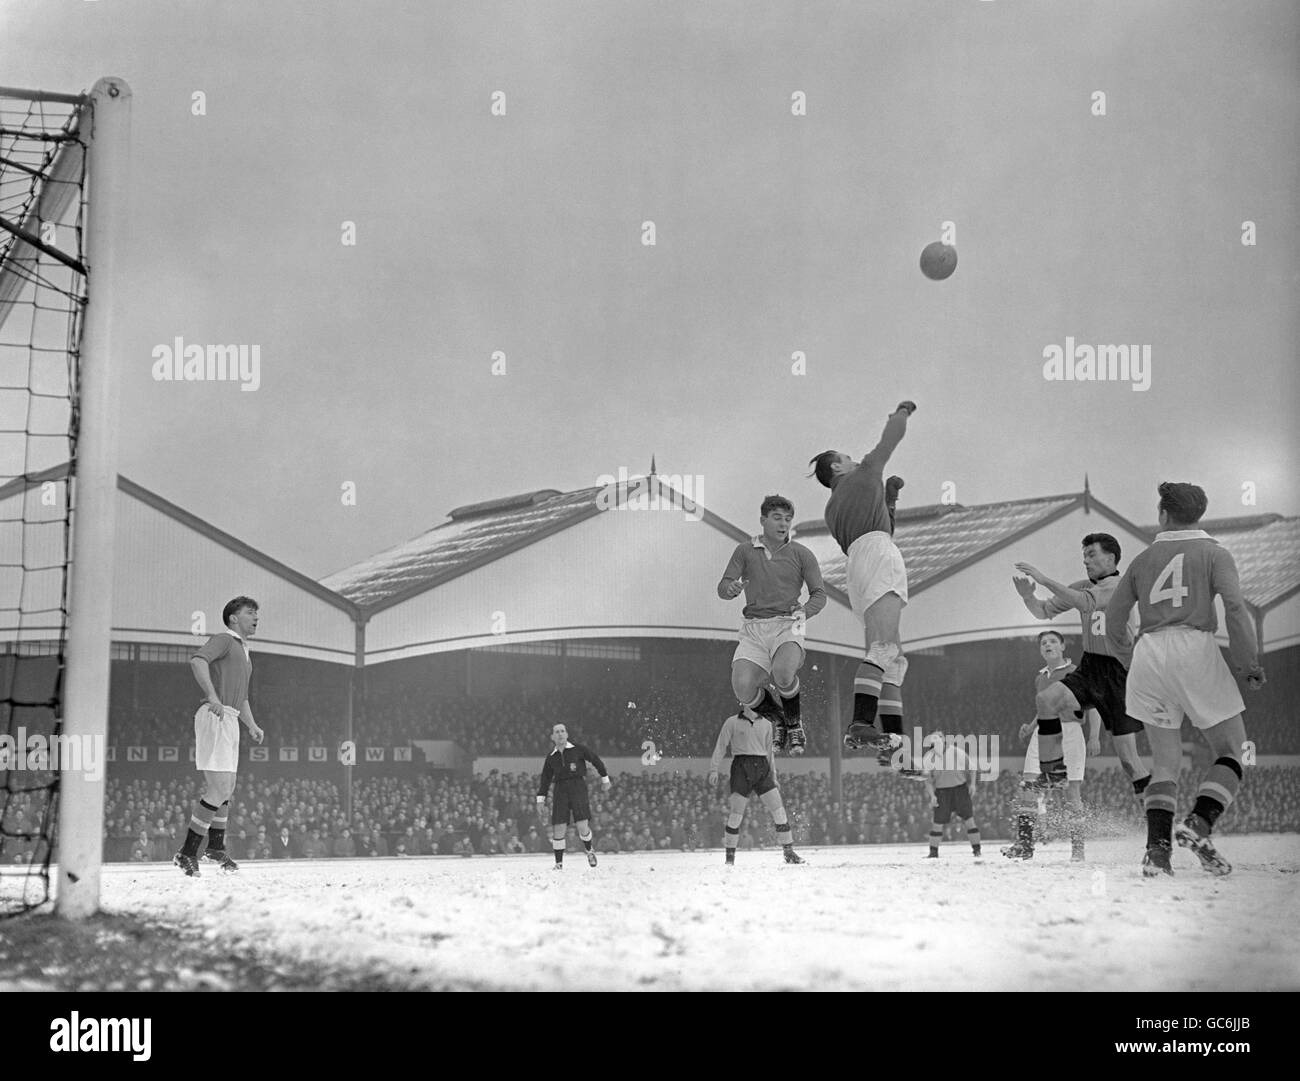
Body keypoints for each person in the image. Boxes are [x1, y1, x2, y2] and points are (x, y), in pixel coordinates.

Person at [1103, 482, 1266, 877]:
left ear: (1163, 515)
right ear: (1200, 514)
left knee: (1165, 764)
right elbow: (1234, 608)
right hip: (1194, 650)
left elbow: (1113, 619)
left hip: (1149, 653)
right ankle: (1198, 823)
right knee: (1233, 749)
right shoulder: (1214, 553)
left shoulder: (1142, 560)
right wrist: (1247, 664)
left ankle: (1157, 854)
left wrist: (1130, 658)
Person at [810, 402, 916, 772]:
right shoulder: (865, 472)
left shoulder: (832, 508)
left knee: (893, 661)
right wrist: (901, 412)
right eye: (847, 457)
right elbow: (892, 438)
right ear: (836, 466)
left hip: (859, 565)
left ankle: (896, 751)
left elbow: (879, 524)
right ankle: (860, 725)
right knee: (886, 650)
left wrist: (890, 498)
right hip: (877, 556)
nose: (855, 458)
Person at [1013, 534, 1152, 796]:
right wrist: (1028, 597)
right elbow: (1043, 611)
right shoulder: (1081, 586)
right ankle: (1054, 772)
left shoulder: (1121, 586)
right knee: (1046, 700)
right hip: (1090, 666)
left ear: (1110, 558)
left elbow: (1087, 601)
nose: (1085, 561)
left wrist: (1044, 580)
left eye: (1091, 555)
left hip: (1118, 674)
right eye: (1084, 556)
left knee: (1129, 761)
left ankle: (1158, 819)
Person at [716, 495, 827, 754]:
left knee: (783, 674)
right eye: (777, 518)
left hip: (789, 623)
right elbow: (723, 587)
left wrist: (805, 611)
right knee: (742, 688)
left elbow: (819, 594)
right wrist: (730, 588)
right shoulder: (744, 550)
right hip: (754, 628)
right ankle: (778, 719)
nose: (783, 524)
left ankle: (794, 723)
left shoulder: (802, 553)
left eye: (788, 519)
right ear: (763, 520)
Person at [173, 596, 265, 876]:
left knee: (228, 787)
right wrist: (212, 696)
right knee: (219, 786)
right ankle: (187, 853)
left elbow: (243, 698)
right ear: (234, 618)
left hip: (232, 717)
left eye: (257, 613)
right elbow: (198, 661)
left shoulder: (244, 651)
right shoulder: (224, 639)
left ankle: (215, 848)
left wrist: (252, 725)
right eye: (251, 612)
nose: (256, 617)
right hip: (216, 714)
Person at [1003, 632, 1098, 861]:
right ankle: (1025, 844)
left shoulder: (1076, 672)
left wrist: (1094, 736)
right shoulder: (1040, 677)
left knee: (1071, 791)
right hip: (1042, 733)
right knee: (1028, 785)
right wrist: (1031, 726)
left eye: (1053, 641)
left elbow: (1093, 705)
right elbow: (1044, 707)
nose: (1048, 645)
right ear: (1040, 650)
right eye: (1044, 643)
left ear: (1063, 646)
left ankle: (1078, 849)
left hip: (1069, 732)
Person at [707, 708, 804, 865]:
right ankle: (729, 859)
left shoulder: (766, 724)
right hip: (741, 766)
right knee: (736, 815)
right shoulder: (731, 722)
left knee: (779, 811)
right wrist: (713, 769)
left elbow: (769, 753)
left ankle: (789, 853)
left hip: (761, 766)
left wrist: (774, 775)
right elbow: (721, 746)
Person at [536, 724, 610, 869]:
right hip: (560, 790)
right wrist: (540, 800)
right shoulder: (551, 757)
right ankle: (558, 863)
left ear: (567, 734)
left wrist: (605, 778)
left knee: (582, 826)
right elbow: (545, 780)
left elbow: (594, 759)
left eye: (562, 731)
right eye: (557, 732)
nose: (560, 734)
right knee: (559, 828)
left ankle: (589, 851)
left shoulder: (578, 749)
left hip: (578, 787)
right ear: (552, 737)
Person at [921, 730, 982, 859]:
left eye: (938, 737)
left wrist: (972, 785)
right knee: (937, 823)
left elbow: (972, 768)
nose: (936, 740)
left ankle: (977, 850)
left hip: (960, 790)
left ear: (943, 740)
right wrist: (932, 795)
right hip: (942, 792)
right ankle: (933, 853)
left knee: (969, 820)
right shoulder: (928, 757)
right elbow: (927, 780)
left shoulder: (956, 752)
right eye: (934, 738)